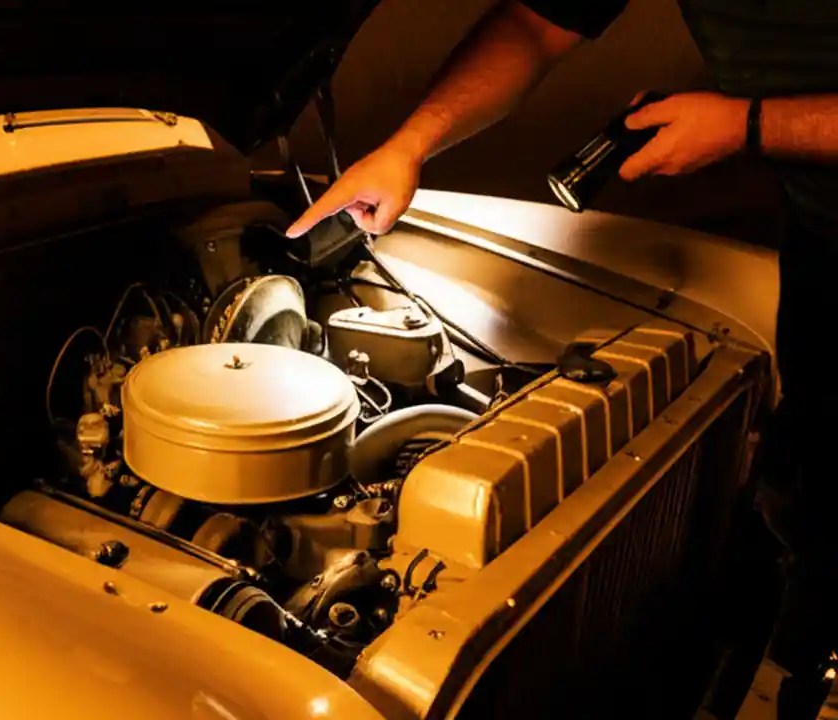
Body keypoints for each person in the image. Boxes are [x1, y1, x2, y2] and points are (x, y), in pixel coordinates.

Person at [286, 2, 838, 718]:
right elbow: (534, 24)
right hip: (821, 245)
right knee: (811, 482)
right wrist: (411, 145)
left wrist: (748, 125)